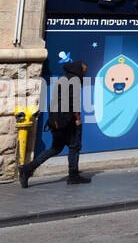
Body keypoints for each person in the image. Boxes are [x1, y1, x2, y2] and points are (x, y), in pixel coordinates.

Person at [18, 60, 91, 188]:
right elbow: (74, 102)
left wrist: (53, 120)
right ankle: (73, 176)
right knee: (74, 146)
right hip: (68, 121)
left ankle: (27, 169)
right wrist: (78, 118)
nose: (85, 73)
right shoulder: (75, 81)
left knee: (55, 148)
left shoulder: (63, 79)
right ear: (78, 70)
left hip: (56, 121)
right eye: (84, 71)